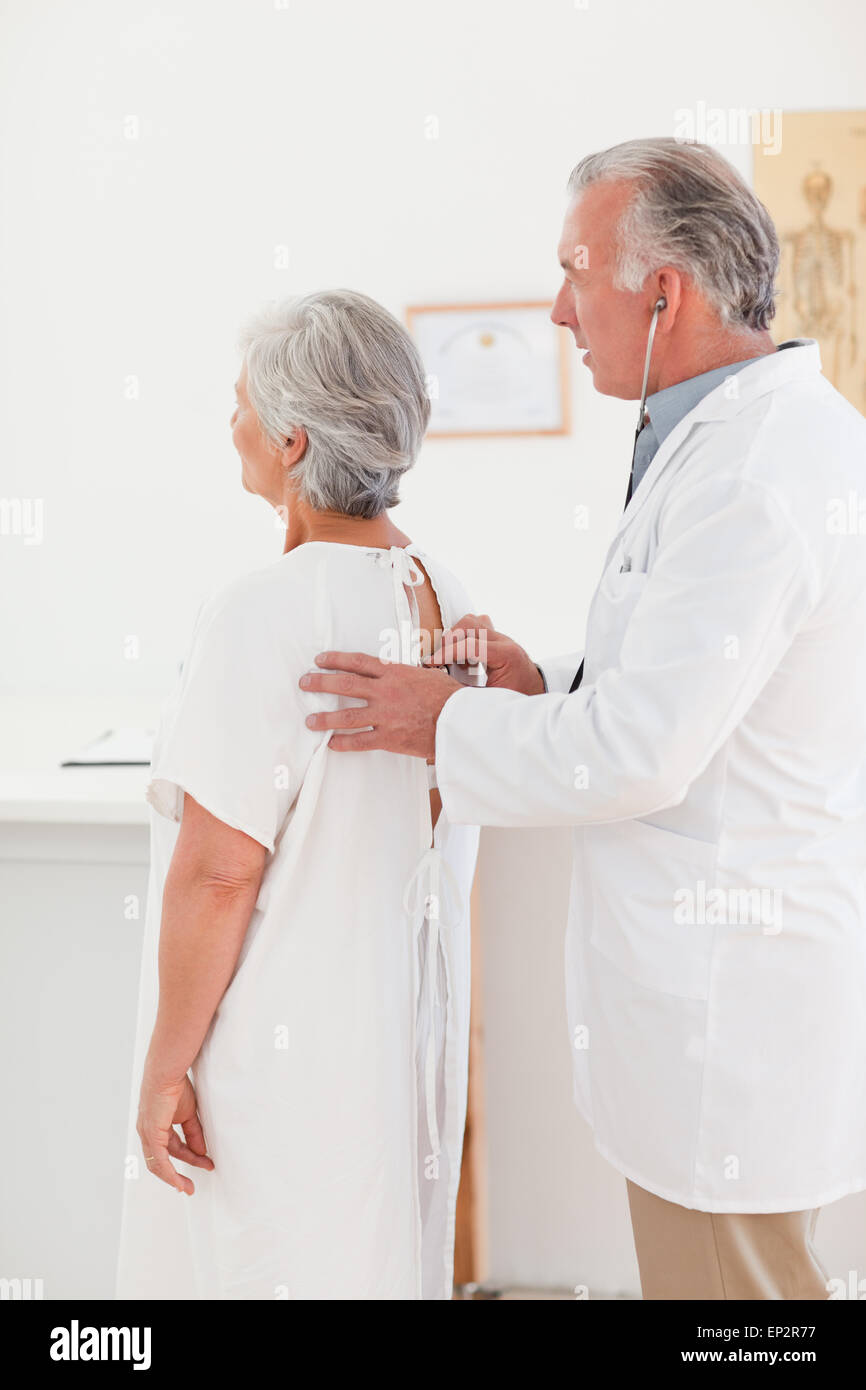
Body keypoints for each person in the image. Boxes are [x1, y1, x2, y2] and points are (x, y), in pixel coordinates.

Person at [300, 139, 866, 1300]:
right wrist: (539, 689)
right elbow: (685, 684)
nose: (557, 311)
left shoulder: (755, 471)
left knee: (738, 1308)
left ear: (662, 292)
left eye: (572, 271)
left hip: (731, 1008)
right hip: (729, 994)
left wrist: (436, 723)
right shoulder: (731, 443)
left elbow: (641, 751)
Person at [116, 289, 481, 1300]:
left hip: (279, 1048)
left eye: (237, 401)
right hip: (398, 1033)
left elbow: (220, 874)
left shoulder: (258, 612)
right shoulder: (445, 591)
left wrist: (161, 1068)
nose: (226, 421)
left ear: (288, 437)